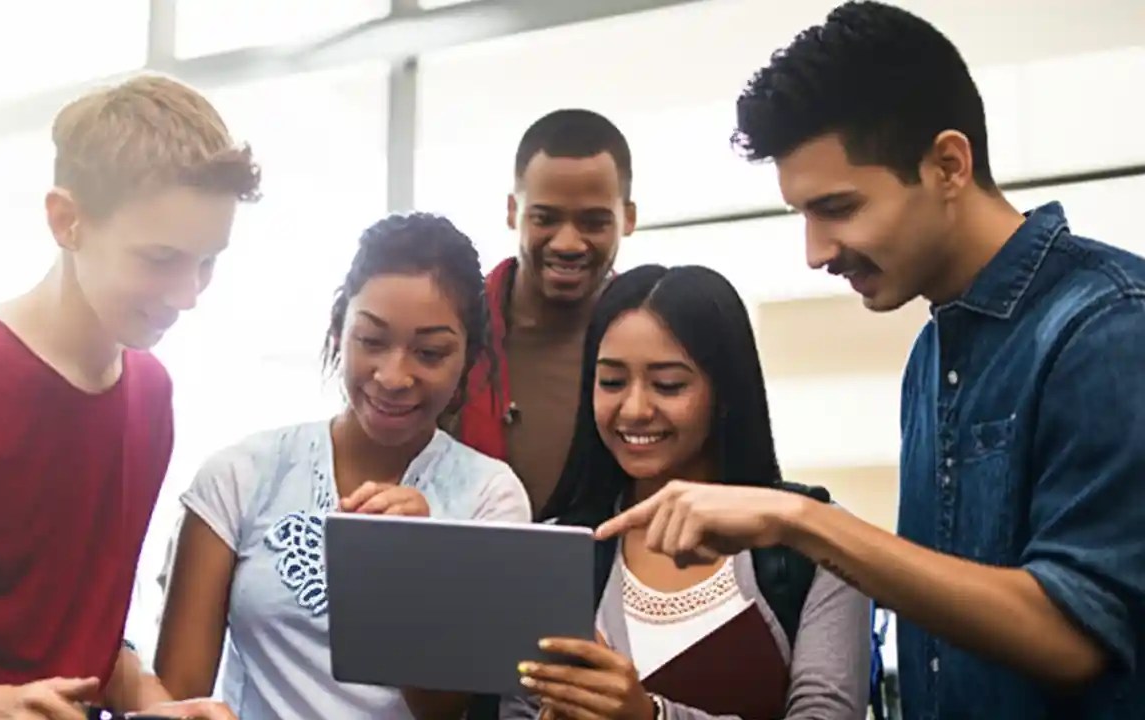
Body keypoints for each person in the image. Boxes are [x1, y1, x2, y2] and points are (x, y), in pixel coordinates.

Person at [597, 2, 1145, 718]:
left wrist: (801, 523)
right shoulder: (932, 354)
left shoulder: (1106, 326)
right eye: (803, 215)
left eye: (840, 208)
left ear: (948, 164)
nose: (816, 252)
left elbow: (1077, 636)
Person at [0, 74, 260, 719]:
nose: (189, 293)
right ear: (66, 221)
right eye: (160, 258)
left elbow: (83, 641)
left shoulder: (149, 396)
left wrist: (156, 706)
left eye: (207, 261)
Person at [153, 212, 532, 720]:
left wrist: (415, 568)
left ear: (469, 359)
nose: (394, 376)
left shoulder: (490, 496)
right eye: (372, 341)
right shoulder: (242, 474)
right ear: (338, 332)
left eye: (430, 352)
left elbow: (442, 709)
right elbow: (177, 700)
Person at [497, 265, 869, 719]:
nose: (634, 410)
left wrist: (651, 716)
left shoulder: (810, 540)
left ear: (725, 391)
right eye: (611, 382)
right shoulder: (555, 549)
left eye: (668, 385)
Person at [458, 109, 637, 518]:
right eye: (545, 218)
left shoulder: (659, 341)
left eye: (593, 221)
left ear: (628, 218)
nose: (568, 242)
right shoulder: (452, 334)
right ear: (511, 212)